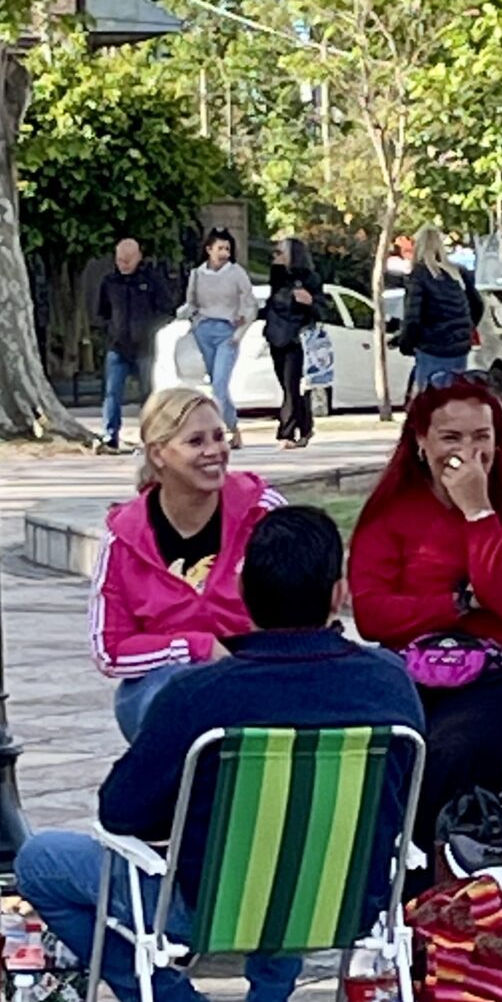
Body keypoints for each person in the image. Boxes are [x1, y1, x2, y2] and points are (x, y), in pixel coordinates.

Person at [22, 506, 423, 1002]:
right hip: (346, 903)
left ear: (242, 591)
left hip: (212, 909)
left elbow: (121, 813)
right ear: (339, 593)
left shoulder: (199, 693)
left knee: (40, 861)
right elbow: (399, 800)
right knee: (299, 842)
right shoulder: (389, 682)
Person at [348, 375, 502, 849]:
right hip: (417, 670)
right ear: (421, 441)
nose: (468, 452)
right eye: (451, 437)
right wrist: (461, 603)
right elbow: (372, 614)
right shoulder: (391, 511)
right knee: (370, 739)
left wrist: (478, 511)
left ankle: (419, 871)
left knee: (449, 748)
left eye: (481, 437)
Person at [88, 384, 285, 740]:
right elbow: (110, 651)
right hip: (169, 681)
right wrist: (196, 647)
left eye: (219, 437)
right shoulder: (123, 538)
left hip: (262, 668)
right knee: (175, 700)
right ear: (158, 453)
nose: (215, 451)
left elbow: (307, 598)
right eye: (196, 442)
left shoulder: (263, 510)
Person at [96, 236, 173, 452]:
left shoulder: (151, 279)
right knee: (112, 392)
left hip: (144, 346)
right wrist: (110, 331)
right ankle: (110, 435)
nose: (124, 264)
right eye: (120, 259)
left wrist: (150, 329)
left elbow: (166, 308)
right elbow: (103, 312)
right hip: (117, 345)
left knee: (148, 393)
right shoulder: (110, 281)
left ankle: (150, 435)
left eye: (128, 259)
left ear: (138, 257)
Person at [183, 229, 258, 446]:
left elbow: (250, 304)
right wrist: (191, 320)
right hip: (204, 330)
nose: (224, 253)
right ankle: (233, 428)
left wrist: (240, 331)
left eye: (227, 249)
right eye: (220, 248)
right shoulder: (198, 274)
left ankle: (219, 432)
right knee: (216, 384)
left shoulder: (236, 273)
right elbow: (191, 302)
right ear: (209, 250)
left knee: (220, 385)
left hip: (227, 333)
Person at [397, 225, 483, 392]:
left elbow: (413, 317)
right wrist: (465, 329)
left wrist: (405, 344)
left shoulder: (419, 275)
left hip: (433, 347)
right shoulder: (458, 272)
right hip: (460, 348)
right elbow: (478, 305)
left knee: (430, 399)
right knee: (454, 396)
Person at [263, 239, 328, 447]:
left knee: (293, 386)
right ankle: (305, 426)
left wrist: (309, 302)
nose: (276, 256)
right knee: (286, 386)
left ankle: (287, 432)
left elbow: (322, 309)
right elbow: (274, 303)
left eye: (281, 252)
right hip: (276, 336)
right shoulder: (277, 276)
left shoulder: (309, 278)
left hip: (296, 337)